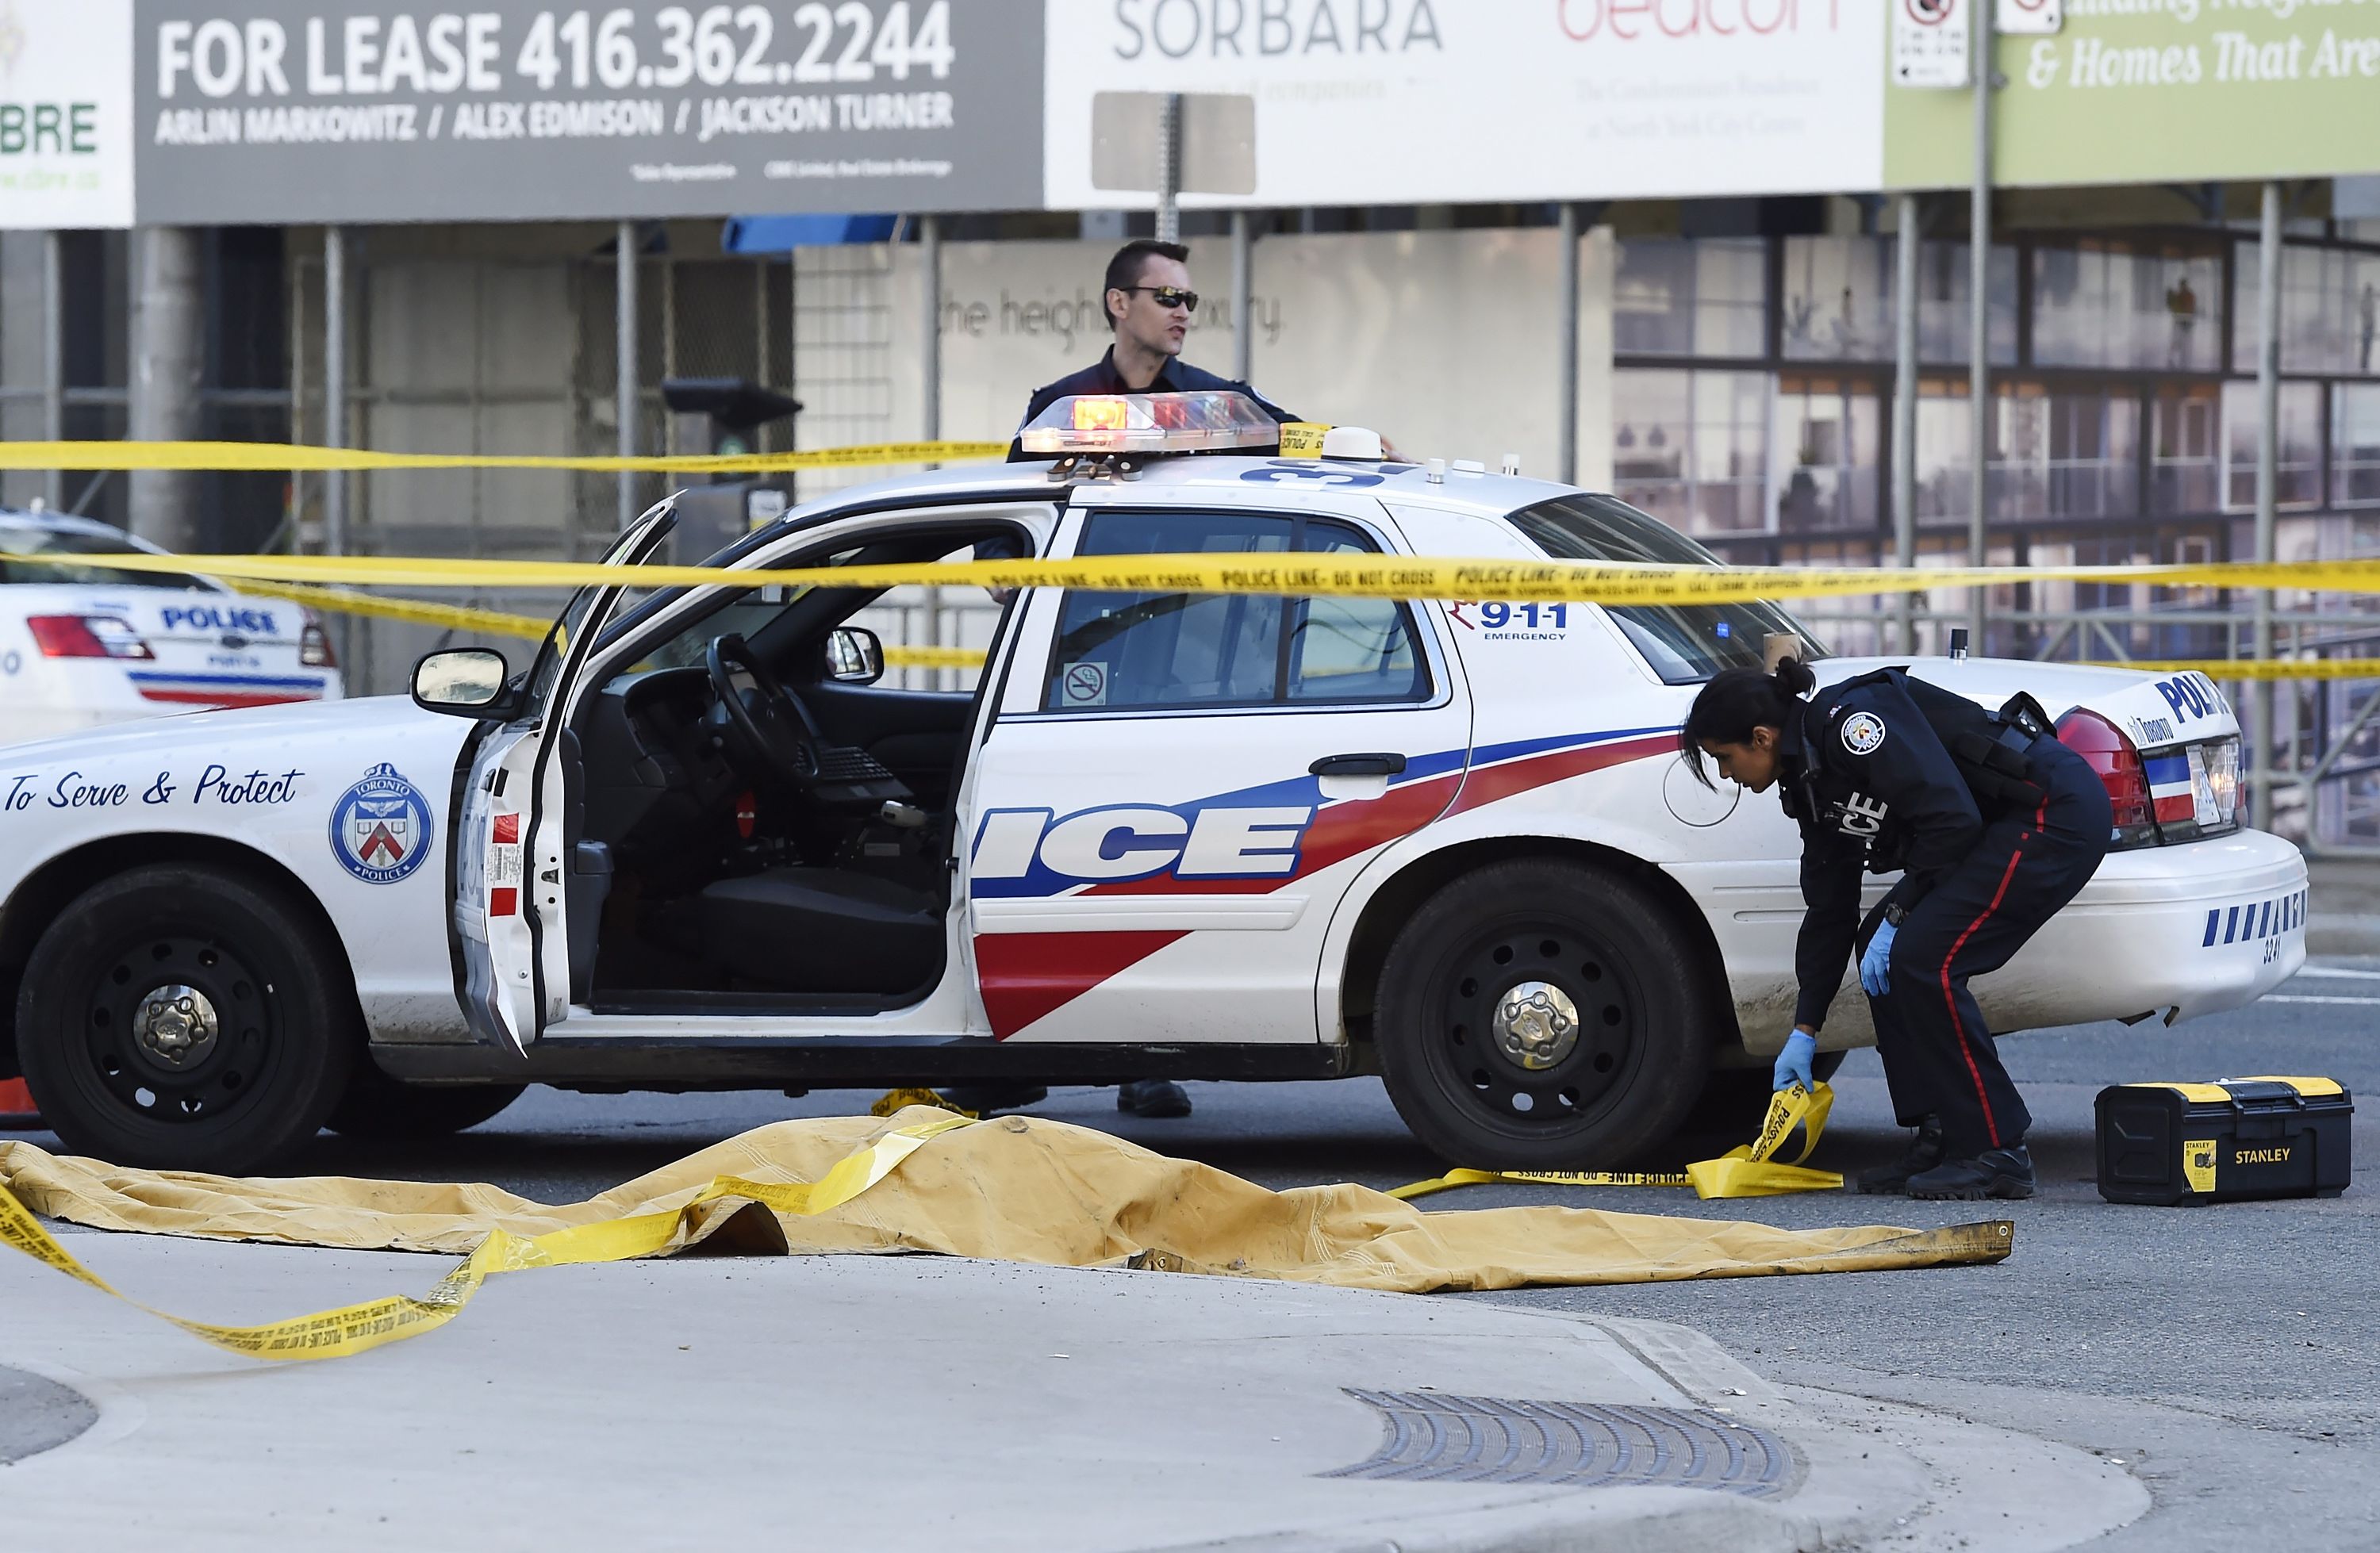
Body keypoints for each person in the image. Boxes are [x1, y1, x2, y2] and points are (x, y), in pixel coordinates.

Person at [1679, 656, 2113, 1201]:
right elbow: (1830, 908)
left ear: (1762, 737)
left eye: (1724, 758)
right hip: (1992, 830)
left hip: (2052, 814)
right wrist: (1804, 1030)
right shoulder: (1811, 779)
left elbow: (1952, 821)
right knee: (1876, 943)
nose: (1726, 774)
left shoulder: (1854, 728)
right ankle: (1943, 1133)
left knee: (1925, 959)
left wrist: (1902, 914)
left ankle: (1995, 1149)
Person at [938, 531, 1196, 1122]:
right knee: (1036, 887)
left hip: (1156, 682)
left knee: (1128, 884)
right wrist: (1007, 569)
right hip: (1057, 676)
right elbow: (1002, 555)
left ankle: (1143, 1058)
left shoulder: (1233, 444)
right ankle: (1007, 1065)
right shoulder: (1050, 447)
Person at [1008, 239, 1296, 458]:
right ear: (1119, 303)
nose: (1183, 312)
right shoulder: (1058, 406)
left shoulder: (1221, 402)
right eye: (1168, 297)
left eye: (1189, 301)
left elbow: (1317, 448)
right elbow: (1013, 517)